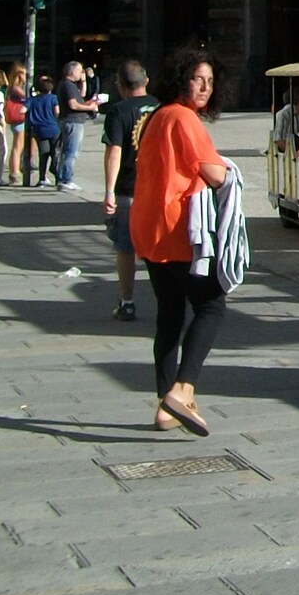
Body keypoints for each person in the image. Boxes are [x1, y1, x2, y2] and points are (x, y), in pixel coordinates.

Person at [131, 48, 231, 434]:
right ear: (181, 80)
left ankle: (165, 407)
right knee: (211, 305)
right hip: (177, 229)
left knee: (170, 314)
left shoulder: (157, 115)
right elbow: (214, 174)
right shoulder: (183, 117)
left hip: (148, 226)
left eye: (210, 81)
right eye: (197, 79)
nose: (205, 88)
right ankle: (183, 389)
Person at [100, 61, 158, 324]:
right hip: (159, 190)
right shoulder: (161, 107)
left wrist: (108, 191)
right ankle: (169, 300)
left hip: (128, 189)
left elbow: (114, 151)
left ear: (120, 86)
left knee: (125, 247)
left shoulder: (118, 111)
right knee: (158, 248)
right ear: (146, 81)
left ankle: (127, 302)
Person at [54, 60, 101, 191]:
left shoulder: (68, 84)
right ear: (72, 71)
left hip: (69, 120)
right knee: (71, 152)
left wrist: (83, 81)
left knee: (66, 151)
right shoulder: (68, 85)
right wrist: (90, 107)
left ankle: (62, 178)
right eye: (80, 71)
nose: (81, 73)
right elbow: (73, 105)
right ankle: (66, 179)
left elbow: (81, 95)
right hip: (73, 121)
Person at [25, 75, 61, 186]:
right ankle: (57, 177)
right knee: (55, 153)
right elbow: (57, 112)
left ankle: (42, 178)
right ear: (50, 89)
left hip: (39, 130)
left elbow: (22, 110)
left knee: (43, 154)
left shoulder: (32, 100)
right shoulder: (53, 98)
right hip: (53, 128)